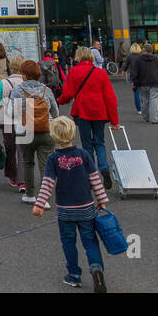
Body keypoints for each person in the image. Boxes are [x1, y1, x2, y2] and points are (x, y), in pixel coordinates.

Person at [32, 116, 109, 292]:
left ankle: (74, 275)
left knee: (68, 242)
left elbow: (47, 182)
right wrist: (102, 201)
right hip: (86, 207)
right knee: (90, 241)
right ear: (73, 134)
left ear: (54, 137)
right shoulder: (84, 154)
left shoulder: (53, 158)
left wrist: (40, 203)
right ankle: (96, 268)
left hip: (65, 210)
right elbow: (95, 180)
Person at [57, 46, 119, 189]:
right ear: (91, 57)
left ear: (78, 57)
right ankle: (104, 167)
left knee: (86, 145)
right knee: (100, 142)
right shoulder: (101, 73)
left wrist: (58, 101)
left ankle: (91, 175)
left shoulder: (73, 71)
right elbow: (110, 98)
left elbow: (68, 93)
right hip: (99, 112)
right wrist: (114, 121)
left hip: (82, 111)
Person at [10, 60, 59, 206]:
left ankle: (30, 194)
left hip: (25, 132)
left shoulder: (18, 90)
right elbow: (55, 111)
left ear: (24, 75)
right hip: (45, 130)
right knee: (45, 165)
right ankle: (44, 199)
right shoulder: (46, 90)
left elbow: (12, 112)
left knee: (28, 162)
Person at [0, 55, 26, 194]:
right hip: (23, 119)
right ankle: (22, 180)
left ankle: (11, 175)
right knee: (21, 150)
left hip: (6, 119)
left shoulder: (3, 83)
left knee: (9, 148)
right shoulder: (26, 82)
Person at [129, 42, 158, 124]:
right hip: (155, 82)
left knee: (145, 100)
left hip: (142, 83)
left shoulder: (138, 60)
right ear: (152, 50)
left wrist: (134, 82)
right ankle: (154, 119)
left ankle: (146, 117)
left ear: (143, 50)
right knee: (154, 100)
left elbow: (134, 72)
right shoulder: (157, 59)